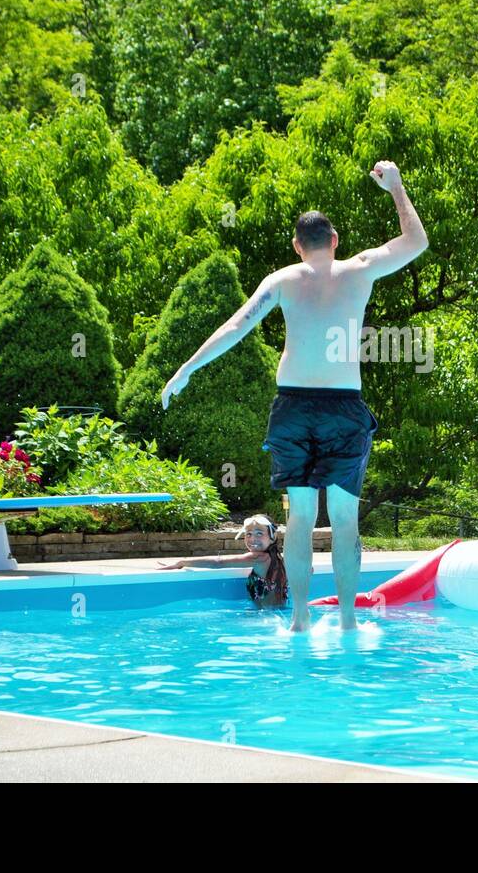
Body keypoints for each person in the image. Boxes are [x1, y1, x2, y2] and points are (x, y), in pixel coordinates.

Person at [160, 160, 428, 631]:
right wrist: (397, 188)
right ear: (336, 241)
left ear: (297, 246)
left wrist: (187, 368)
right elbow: (416, 241)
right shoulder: (360, 269)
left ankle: (300, 618)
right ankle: (347, 620)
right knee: (345, 519)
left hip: (294, 409)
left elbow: (237, 326)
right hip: (344, 409)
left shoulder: (282, 280)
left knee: (302, 517)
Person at [156, 514, 289, 608]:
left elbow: (217, 562)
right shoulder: (278, 560)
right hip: (278, 612)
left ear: (273, 537)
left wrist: (182, 562)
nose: (252, 539)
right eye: (248, 534)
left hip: (262, 617)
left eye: (259, 533)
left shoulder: (258, 558)